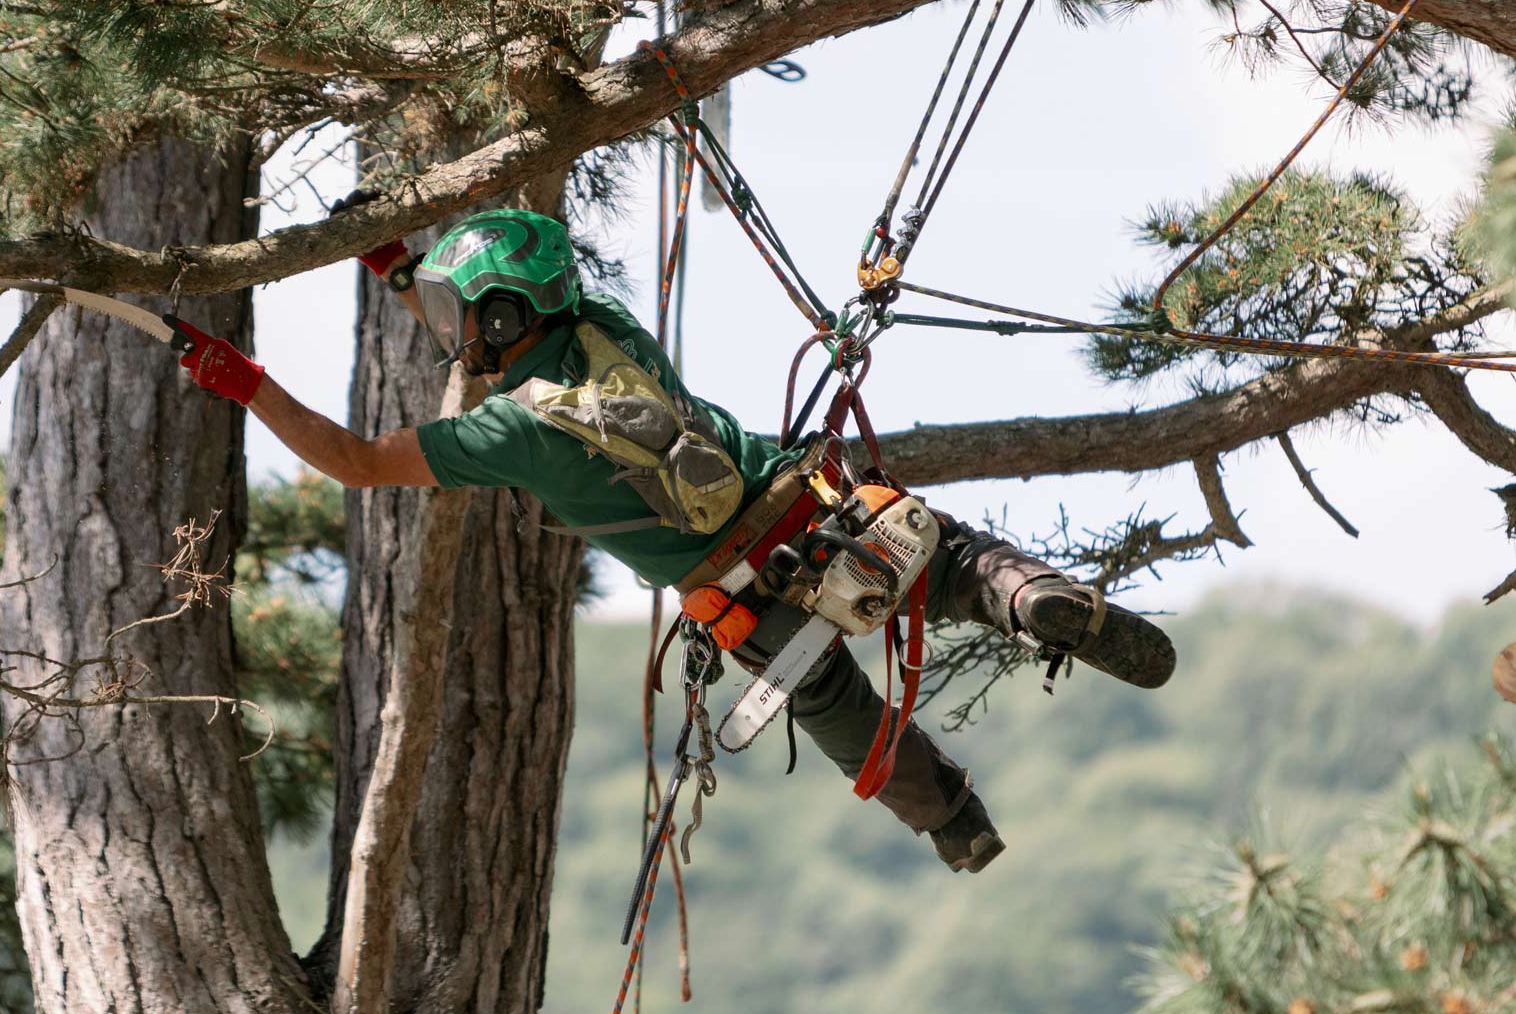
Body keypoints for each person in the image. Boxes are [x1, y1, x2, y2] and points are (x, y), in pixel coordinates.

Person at [171, 207, 1176, 873]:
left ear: (503, 315)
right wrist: (400, 266)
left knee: (836, 706)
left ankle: (956, 824)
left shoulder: (514, 427)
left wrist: (248, 382)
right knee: (948, 563)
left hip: (743, 597)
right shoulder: (607, 326)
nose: (447, 336)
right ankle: (1035, 596)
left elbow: (351, 458)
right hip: (806, 507)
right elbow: (494, 316)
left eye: (455, 316)